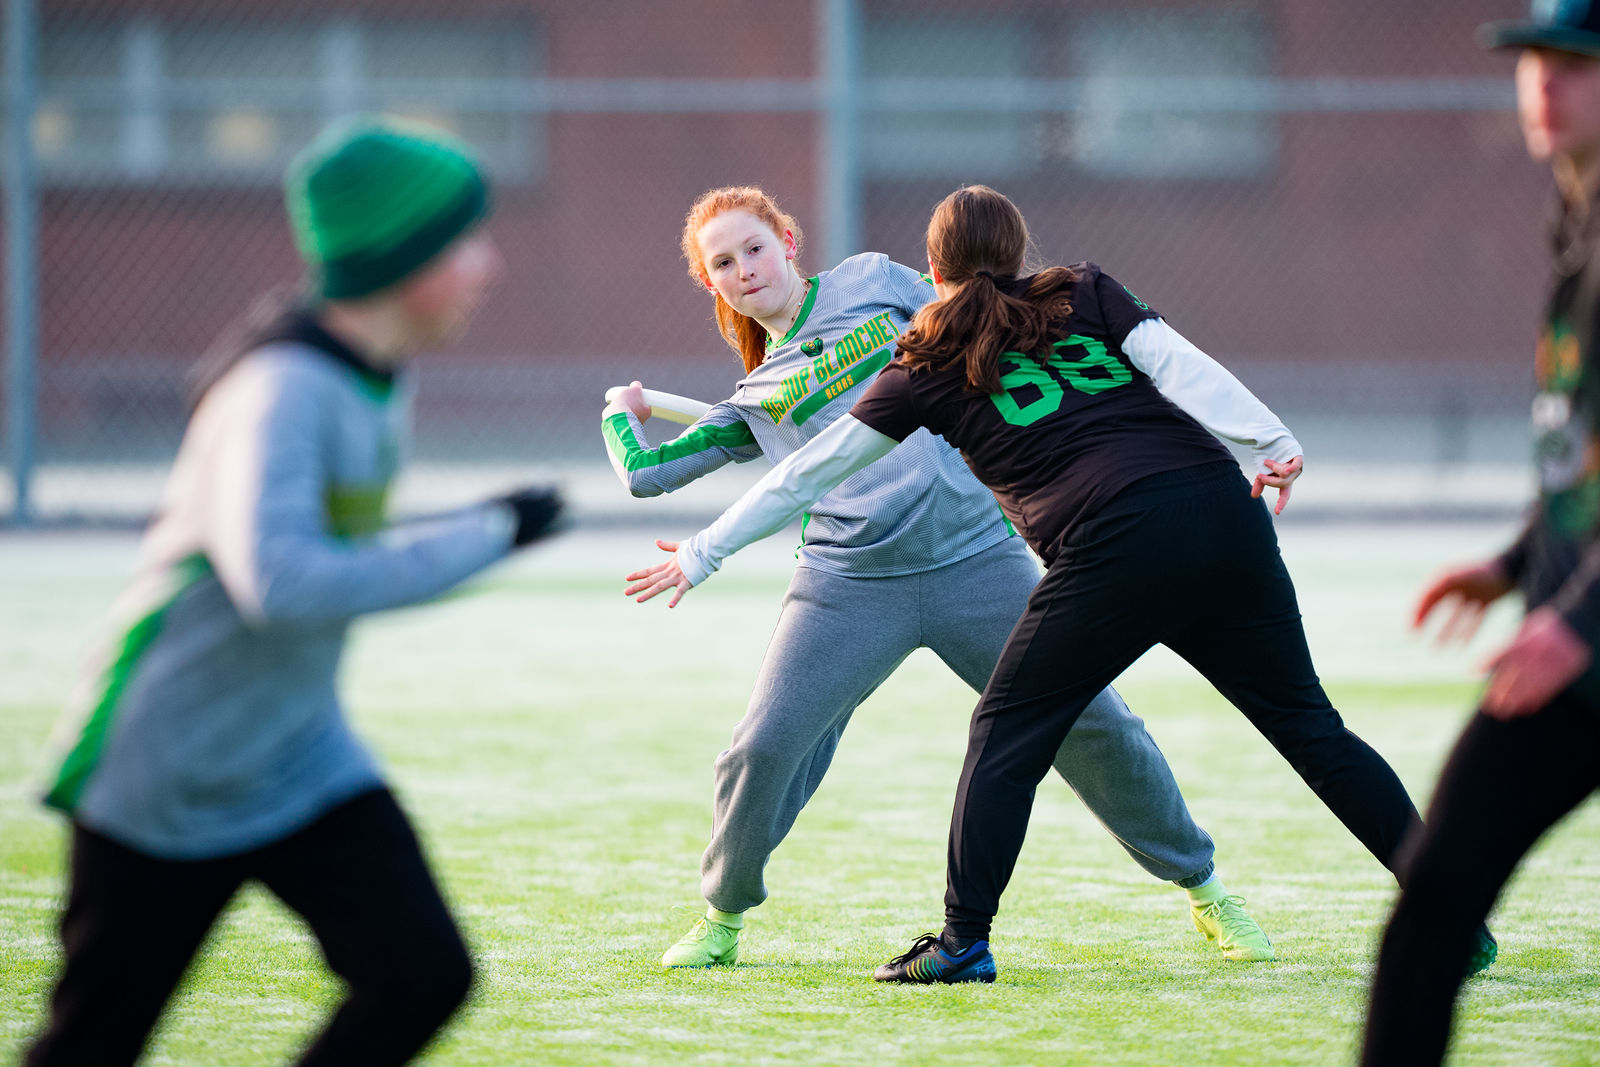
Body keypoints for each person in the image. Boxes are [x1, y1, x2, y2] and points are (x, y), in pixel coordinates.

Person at [626, 184, 1498, 985]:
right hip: (1144, 521)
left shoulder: (913, 344)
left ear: (922, 275)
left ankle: (1048, 921)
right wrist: (1267, 440)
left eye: (754, 249)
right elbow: (1178, 365)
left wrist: (700, 555)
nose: (744, 271)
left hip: (1042, 551)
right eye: (723, 264)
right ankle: (724, 912)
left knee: (1048, 728)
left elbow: (812, 463)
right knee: (1311, 728)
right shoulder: (1071, 290)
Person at [25, 116, 564, 1067]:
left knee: (421, 974)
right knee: (91, 1047)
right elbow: (282, 582)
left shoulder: (372, 376)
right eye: (464, 244)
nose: (488, 268)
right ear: (403, 259)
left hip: (295, 754)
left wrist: (481, 527)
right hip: (167, 771)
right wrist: (484, 536)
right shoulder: (282, 389)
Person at [1361, 6, 1600, 1063]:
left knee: (1435, 904)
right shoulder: (1576, 218)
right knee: (1436, 899)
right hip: (1568, 646)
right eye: (1535, 62)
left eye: (1576, 63)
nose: (1544, 83)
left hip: (1581, 642)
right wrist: (1511, 566)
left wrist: (1582, 618)